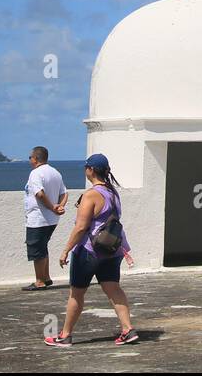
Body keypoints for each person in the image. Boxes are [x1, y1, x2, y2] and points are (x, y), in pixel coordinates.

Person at [44, 153, 138, 347]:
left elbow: (81, 227)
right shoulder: (112, 192)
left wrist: (65, 251)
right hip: (112, 250)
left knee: (76, 294)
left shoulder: (91, 194)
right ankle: (128, 330)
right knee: (114, 289)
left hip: (89, 251)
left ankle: (65, 335)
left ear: (91, 170)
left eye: (86, 167)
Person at [22, 147, 66, 291]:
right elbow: (64, 193)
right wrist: (59, 207)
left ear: (35, 158)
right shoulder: (55, 172)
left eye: (30, 157)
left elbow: (39, 194)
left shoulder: (35, 173)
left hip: (38, 218)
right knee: (42, 247)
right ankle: (46, 278)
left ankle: (39, 281)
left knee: (36, 249)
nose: (29, 160)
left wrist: (53, 207)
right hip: (52, 219)